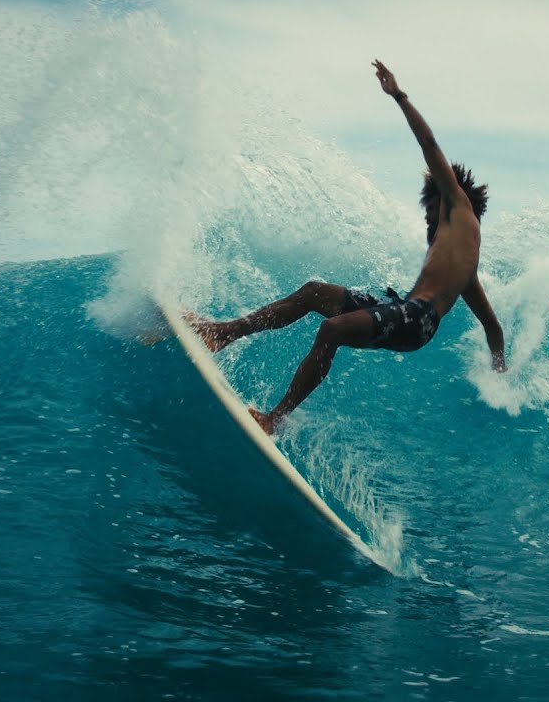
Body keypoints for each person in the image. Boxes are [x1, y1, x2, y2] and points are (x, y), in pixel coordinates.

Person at [189, 59, 505, 434]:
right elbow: (492, 326)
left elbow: (429, 144)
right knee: (313, 293)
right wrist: (498, 370)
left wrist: (398, 96)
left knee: (332, 330)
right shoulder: (463, 261)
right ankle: (224, 332)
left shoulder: (458, 205)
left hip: (416, 319)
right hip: (404, 309)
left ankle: (275, 419)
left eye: (430, 209)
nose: (426, 218)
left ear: (446, 197)